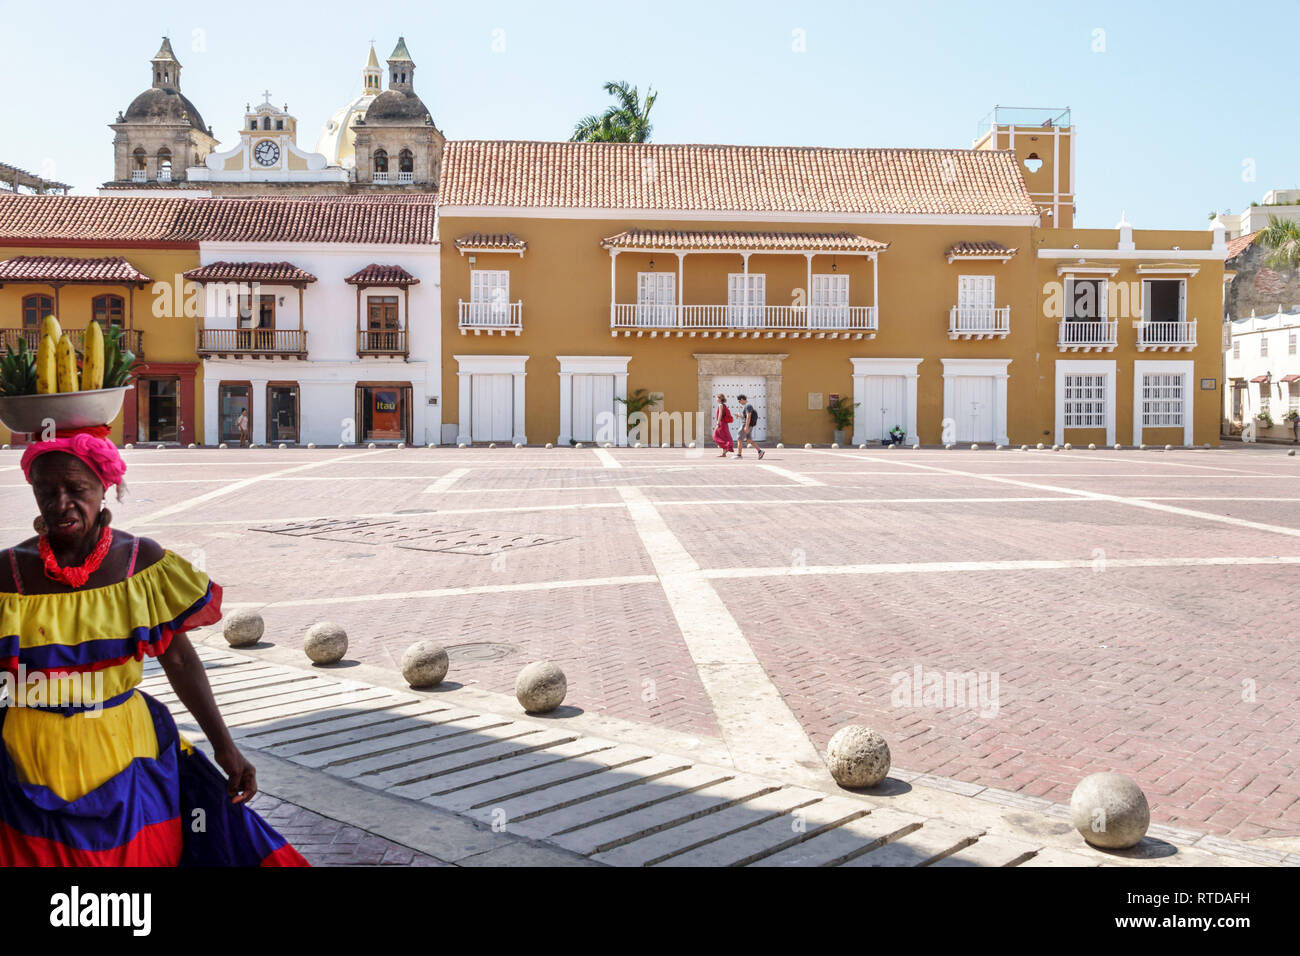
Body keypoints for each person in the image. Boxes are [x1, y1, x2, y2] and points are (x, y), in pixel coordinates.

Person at [0, 424, 307, 866]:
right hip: (30, 754)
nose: (61, 503)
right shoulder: (8, 571)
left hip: (124, 749)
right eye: (46, 490)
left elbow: (180, 659)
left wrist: (224, 745)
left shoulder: (140, 563)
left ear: (104, 488)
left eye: (76, 488)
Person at [734, 395, 764, 460]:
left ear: (742, 399)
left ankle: (739, 455)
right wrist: (740, 416)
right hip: (749, 426)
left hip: (746, 425)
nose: (739, 402)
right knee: (749, 440)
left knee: (739, 438)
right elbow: (745, 417)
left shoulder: (748, 406)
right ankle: (760, 451)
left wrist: (746, 427)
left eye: (739, 401)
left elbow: (748, 416)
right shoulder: (747, 407)